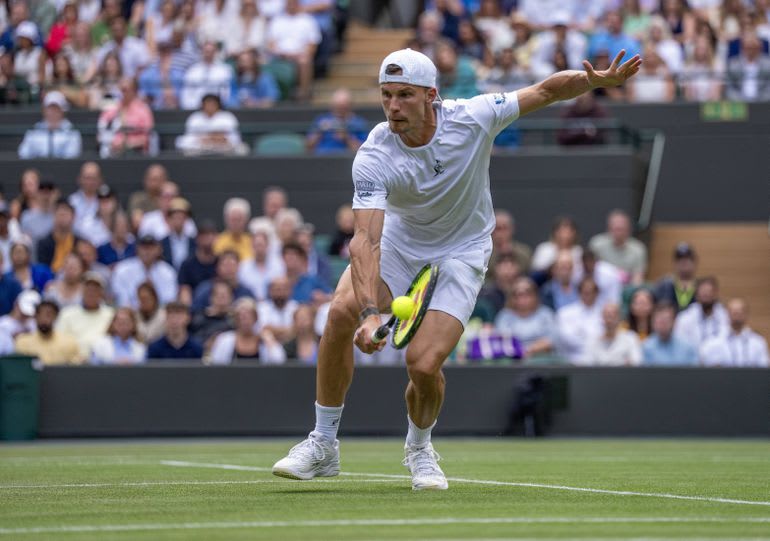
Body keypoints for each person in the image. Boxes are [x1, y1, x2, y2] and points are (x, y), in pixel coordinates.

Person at [272, 46, 642, 489]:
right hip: (400, 245)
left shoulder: (474, 115)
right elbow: (366, 240)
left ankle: (420, 447)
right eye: (387, 95)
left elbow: (545, 90)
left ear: (432, 96)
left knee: (423, 366)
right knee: (338, 314)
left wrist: (594, 82)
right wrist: (371, 312)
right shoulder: (373, 153)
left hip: (462, 250)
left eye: (404, 95)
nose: (393, 106)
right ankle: (323, 444)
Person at [55, 271, 115, 359]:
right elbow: (59, 340)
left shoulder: (111, 314)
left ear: (101, 293)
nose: (91, 293)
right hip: (73, 363)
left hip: (104, 364)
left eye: (95, 290)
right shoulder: (67, 314)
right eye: (88, 289)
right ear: (81, 291)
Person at [208, 297, 286, 364]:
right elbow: (216, 365)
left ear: (255, 318)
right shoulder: (225, 339)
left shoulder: (263, 340)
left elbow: (279, 361)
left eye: (248, 316)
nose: (245, 320)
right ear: (235, 319)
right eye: (241, 317)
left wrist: (269, 341)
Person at [494, 276, 555, 359]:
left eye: (527, 294)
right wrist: (519, 352)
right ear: (512, 298)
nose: (522, 299)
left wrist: (529, 350)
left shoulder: (546, 314)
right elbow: (502, 339)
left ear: (535, 296)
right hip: (512, 359)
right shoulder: (504, 316)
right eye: (518, 295)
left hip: (541, 358)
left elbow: (551, 340)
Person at [111, 235, 178, 308]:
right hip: (131, 314)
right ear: (137, 249)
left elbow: (169, 300)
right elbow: (122, 300)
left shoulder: (167, 272)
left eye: (151, 248)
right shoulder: (123, 269)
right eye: (144, 248)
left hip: (159, 314)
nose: (147, 252)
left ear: (159, 250)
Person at [699, 298, 769, 367]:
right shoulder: (713, 341)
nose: (737, 316)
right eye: (734, 313)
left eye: (740, 312)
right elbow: (706, 365)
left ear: (746, 314)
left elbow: (764, 368)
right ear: (726, 314)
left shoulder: (757, 342)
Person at [97, 77, 155, 157]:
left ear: (134, 91)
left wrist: (126, 144)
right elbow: (101, 131)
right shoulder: (112, 107)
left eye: (125, 90)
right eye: (120, 90)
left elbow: (146, 138)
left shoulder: (143, 110)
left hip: (136, 154)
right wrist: (112, 142)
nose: (122, 93)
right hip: (111, 152)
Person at [588, 209, 647, 285]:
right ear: (609, 229)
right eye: (616, 229)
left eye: (621, 229)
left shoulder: (638, 249)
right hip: (600, 287)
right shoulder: (596, 244)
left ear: (628, 230)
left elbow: (638, 277)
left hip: (625, 288)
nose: (618, 233)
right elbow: (589, 271)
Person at [18, 91, 83, 159]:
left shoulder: (72, 132)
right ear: (44, 110)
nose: (52, 112)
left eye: (56, 109)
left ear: (63, 111)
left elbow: (72, 155)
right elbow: (23, 153)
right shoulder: (34, 130)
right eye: (50, 108)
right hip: (36, 168)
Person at [176, 94, 247, 155]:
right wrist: (208, 138)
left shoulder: (227, 117)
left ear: (218, 105)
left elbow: (235, 138)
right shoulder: (195, 117)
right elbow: (187, 139)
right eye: (207, 104)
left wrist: (220, 138)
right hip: (200, 149)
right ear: (202, 105)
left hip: (223, 148)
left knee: (242, 149)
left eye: (212, 104)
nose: (209, 106)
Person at [15, 300, 82, 364]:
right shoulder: (23, 342)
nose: (44, 319)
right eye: (40, 314)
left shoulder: (69, 342)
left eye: (48, 315)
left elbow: (75, 369)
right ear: (35, 317)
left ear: (55, 317)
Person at [305, 88, 369, 155]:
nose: (339, 111)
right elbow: (307, 147)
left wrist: (346, 138)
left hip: (347, 161)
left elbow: (363, 152)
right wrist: (319, 132)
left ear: (349, 106)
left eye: (343, 108)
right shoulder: (322, 120)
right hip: (320, 160)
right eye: (336, 107)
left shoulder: (358, 123)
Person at [555, 276, 604, 363]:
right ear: (579, 292)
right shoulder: (565, 313)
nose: (588, 295)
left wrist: (583, 336)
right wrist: (592, 341)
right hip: (572, 360)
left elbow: (604, 338)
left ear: (597, 293)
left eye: (591, 292)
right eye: (585, 292)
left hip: (599, 360)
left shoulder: (604, 312)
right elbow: (566, 338)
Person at [673, 276, 729, 349]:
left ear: (716, 294)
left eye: (709, 291)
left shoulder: (725, 316)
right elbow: (679, 342)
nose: (706, 295)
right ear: (696, 295)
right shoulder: (685, 317)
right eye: (703, 292)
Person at [180, 41, 234, 110]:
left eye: (211, 51)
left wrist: (219, 106)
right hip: (195, 109)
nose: (209, 54)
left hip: (219, 109)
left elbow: (227, 92)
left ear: (215, 52)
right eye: (206, 51)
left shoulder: (225, 70)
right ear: (202, 52)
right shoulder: (192, 71)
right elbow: (186, 94)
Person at [642, 301, 698, 366]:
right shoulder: (647, 347)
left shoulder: (688, 346)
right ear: (653, 322)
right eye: (659, 321)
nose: (663, 324)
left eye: (666, 320)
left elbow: (695, 373)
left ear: (674, 322)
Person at [178, 220, 218, 306]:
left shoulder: (220, 262)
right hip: (196, 309)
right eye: (204, 235)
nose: (208, 239)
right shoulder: (187, 265)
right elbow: (184, 291)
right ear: (197, 238)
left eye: (211, 235)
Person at [238, 228, 285, 301]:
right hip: (250, 304)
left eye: (261, 245)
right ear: (251, 246)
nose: (259, 249)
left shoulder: (279, 265)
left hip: (273, 303)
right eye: (256, 245)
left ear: (268, 246)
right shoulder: (243, 266)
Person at [654, 242, 698, 312]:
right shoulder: (664, 286)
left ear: (694, 262)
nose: (683, 261)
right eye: (679, 258)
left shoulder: (702, 288)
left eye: (687, 258)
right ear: (674, 263)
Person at [160, 197, 195, 270]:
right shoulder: (162, 243)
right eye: (175, 217)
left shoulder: (194, 242)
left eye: (181, 217)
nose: (178, 220)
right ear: (169, 219)